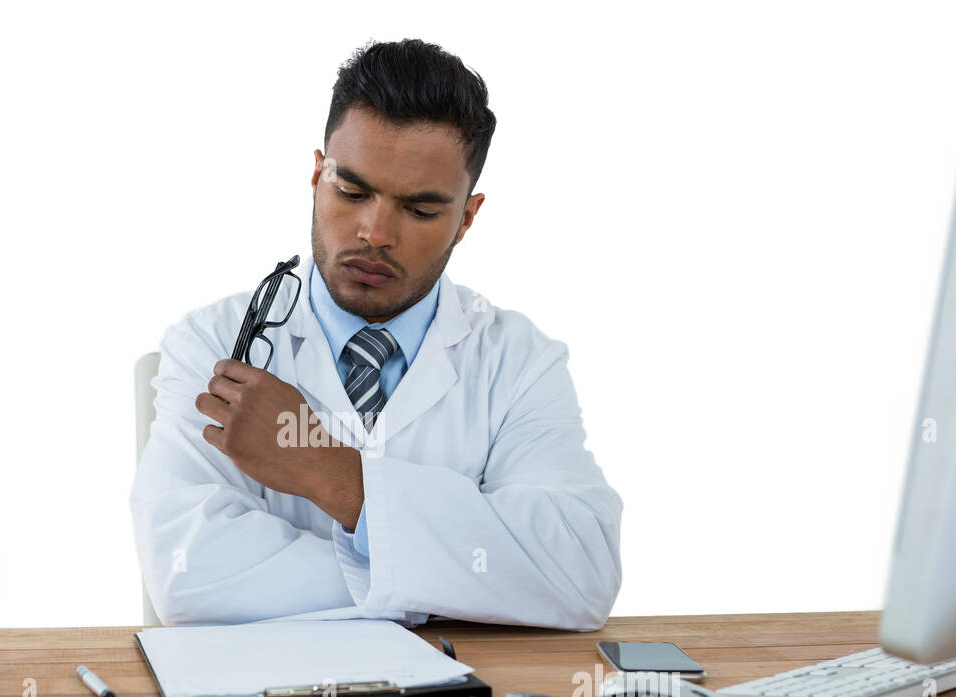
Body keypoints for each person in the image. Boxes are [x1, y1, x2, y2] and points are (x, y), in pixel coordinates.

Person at [132, 38, 622, 629]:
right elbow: (189, 578)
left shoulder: (518, 361)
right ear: (317, 175)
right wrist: (449, 583)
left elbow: (580, 572)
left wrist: (330, 471)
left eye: (419, 210)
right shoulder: (209, 343)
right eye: (352, 191)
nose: (374, 232)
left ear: (467, 217)